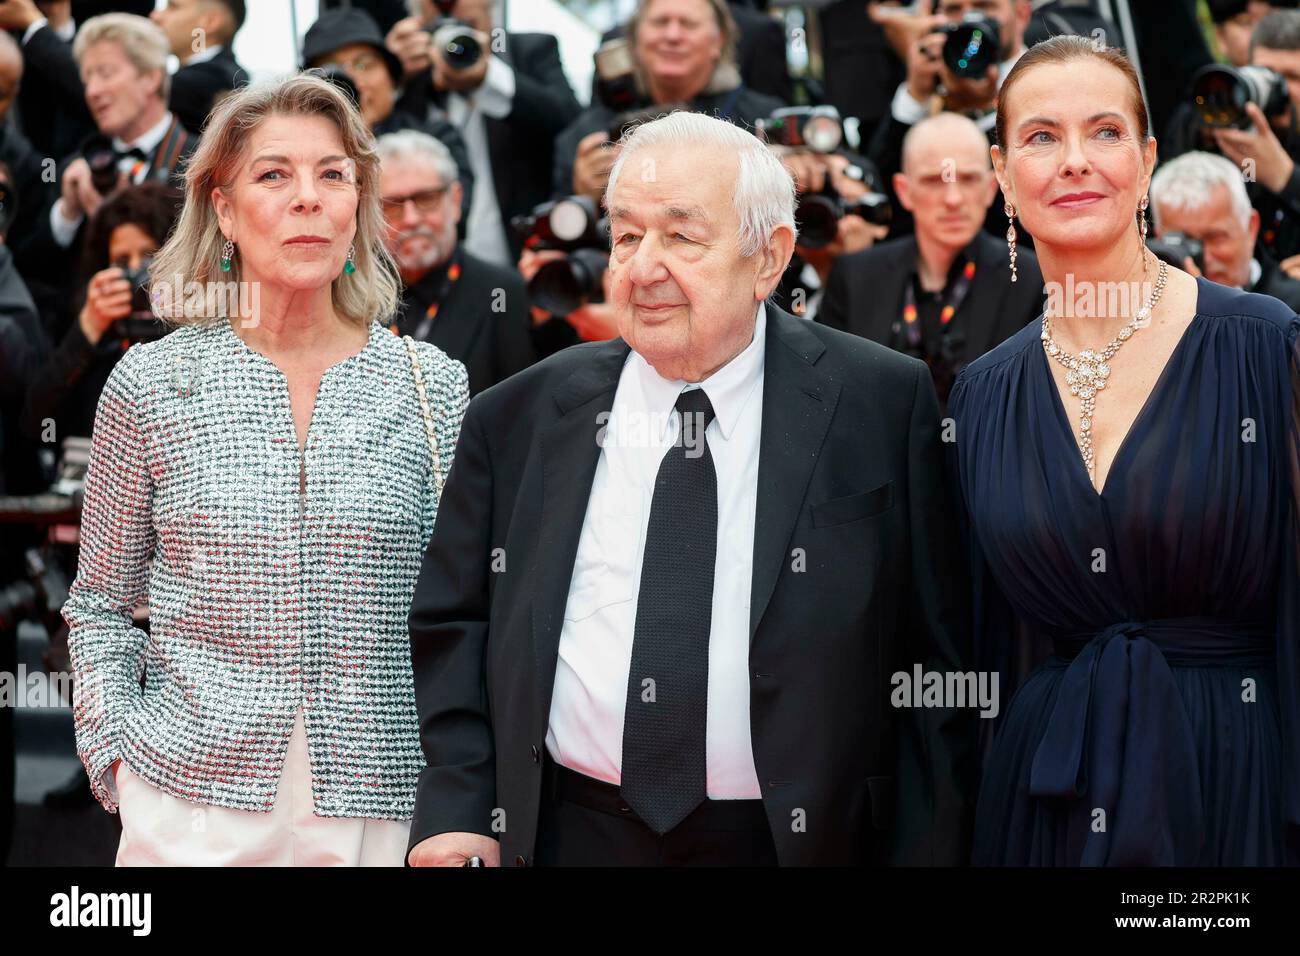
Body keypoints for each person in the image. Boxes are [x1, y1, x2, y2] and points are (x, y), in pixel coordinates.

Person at [406, 111, 973, 868]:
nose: (642, 268)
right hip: (568, 833)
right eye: (626, 235)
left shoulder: (880, 403)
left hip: (801, 842)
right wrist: (458, 808)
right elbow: (455, 625)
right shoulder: (518, 415)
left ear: (769, 257)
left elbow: (936, 664)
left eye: (680, 237)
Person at [62, 73, 470, 866]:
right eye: (274, 174)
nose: (308, 198)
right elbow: (101, 604)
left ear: (359, 205)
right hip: (187, 806)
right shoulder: (152, 384)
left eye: (333, 174)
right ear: (222, 208)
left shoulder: (432, 384)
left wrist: (459, 791)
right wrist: (118, 761)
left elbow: (466, 615)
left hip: (380, 807)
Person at [950, 35, 1299, 865]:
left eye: (1104, 133)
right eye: (1041, 138)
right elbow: (985, 652)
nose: (1075, 161)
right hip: (1049, 801)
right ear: (1001, 173)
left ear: (1145, 161)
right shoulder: (983, 394)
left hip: (1236, 781)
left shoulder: (1264, 345)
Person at [819, 112, 1042, 408]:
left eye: (968, 179)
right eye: (934, 181)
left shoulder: (1031, 279)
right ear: (904, 191)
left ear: (992, 189)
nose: (953, 199)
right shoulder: (854, 278)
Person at [386, 0, 582, 265]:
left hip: (522, 263)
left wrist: (487, 76)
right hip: (424, 270)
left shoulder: (531, 51)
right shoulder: (406, 73)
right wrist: (389, 75)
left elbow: (571, 125)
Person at [553, 0, 785, 206]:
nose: (672, 35)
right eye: (660, 22)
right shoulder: (590, 135)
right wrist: (582, 196)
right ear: (635, 40)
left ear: (718, 41)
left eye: (688, 24)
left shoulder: (766, 121)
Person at [21, 182, 181, 444]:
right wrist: (88, 328)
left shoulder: (201, 331)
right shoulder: (103, 337)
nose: (136, 273)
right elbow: (35, 422)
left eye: (148, 257)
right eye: (121, 261)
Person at [378, 129, 534, 395]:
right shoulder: (350, 296)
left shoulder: (503, 292)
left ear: (456, 199)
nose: (411, 219)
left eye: (426, 199)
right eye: (392, 205)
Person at [866, 0, 1032, 240]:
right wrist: (915, 95)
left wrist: (984, 111)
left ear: (1022, 13)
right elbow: (883, 194)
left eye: (984, 7)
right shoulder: (928, 79)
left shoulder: (1046, 79)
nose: (968, 19)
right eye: (954, 10)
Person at [302, 7, 475, 230]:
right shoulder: (299, 156)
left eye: (364, 65)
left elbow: (454, 220)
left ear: (392, 79)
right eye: (335, 73)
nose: (355, 81)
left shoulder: (437, 136)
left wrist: (364, 141)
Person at [1151, 150, 1300, 311]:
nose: (1203, 257)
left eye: (1215, 238)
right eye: (1185, 242)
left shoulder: (1292, 309)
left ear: (1251, 227)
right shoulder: (1141, 307)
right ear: (1160, 239)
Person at [149, 0, 248, 136]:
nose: (155, 16)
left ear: (210, 22)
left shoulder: (214, 79)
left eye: (173, 7)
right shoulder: (230, 75)